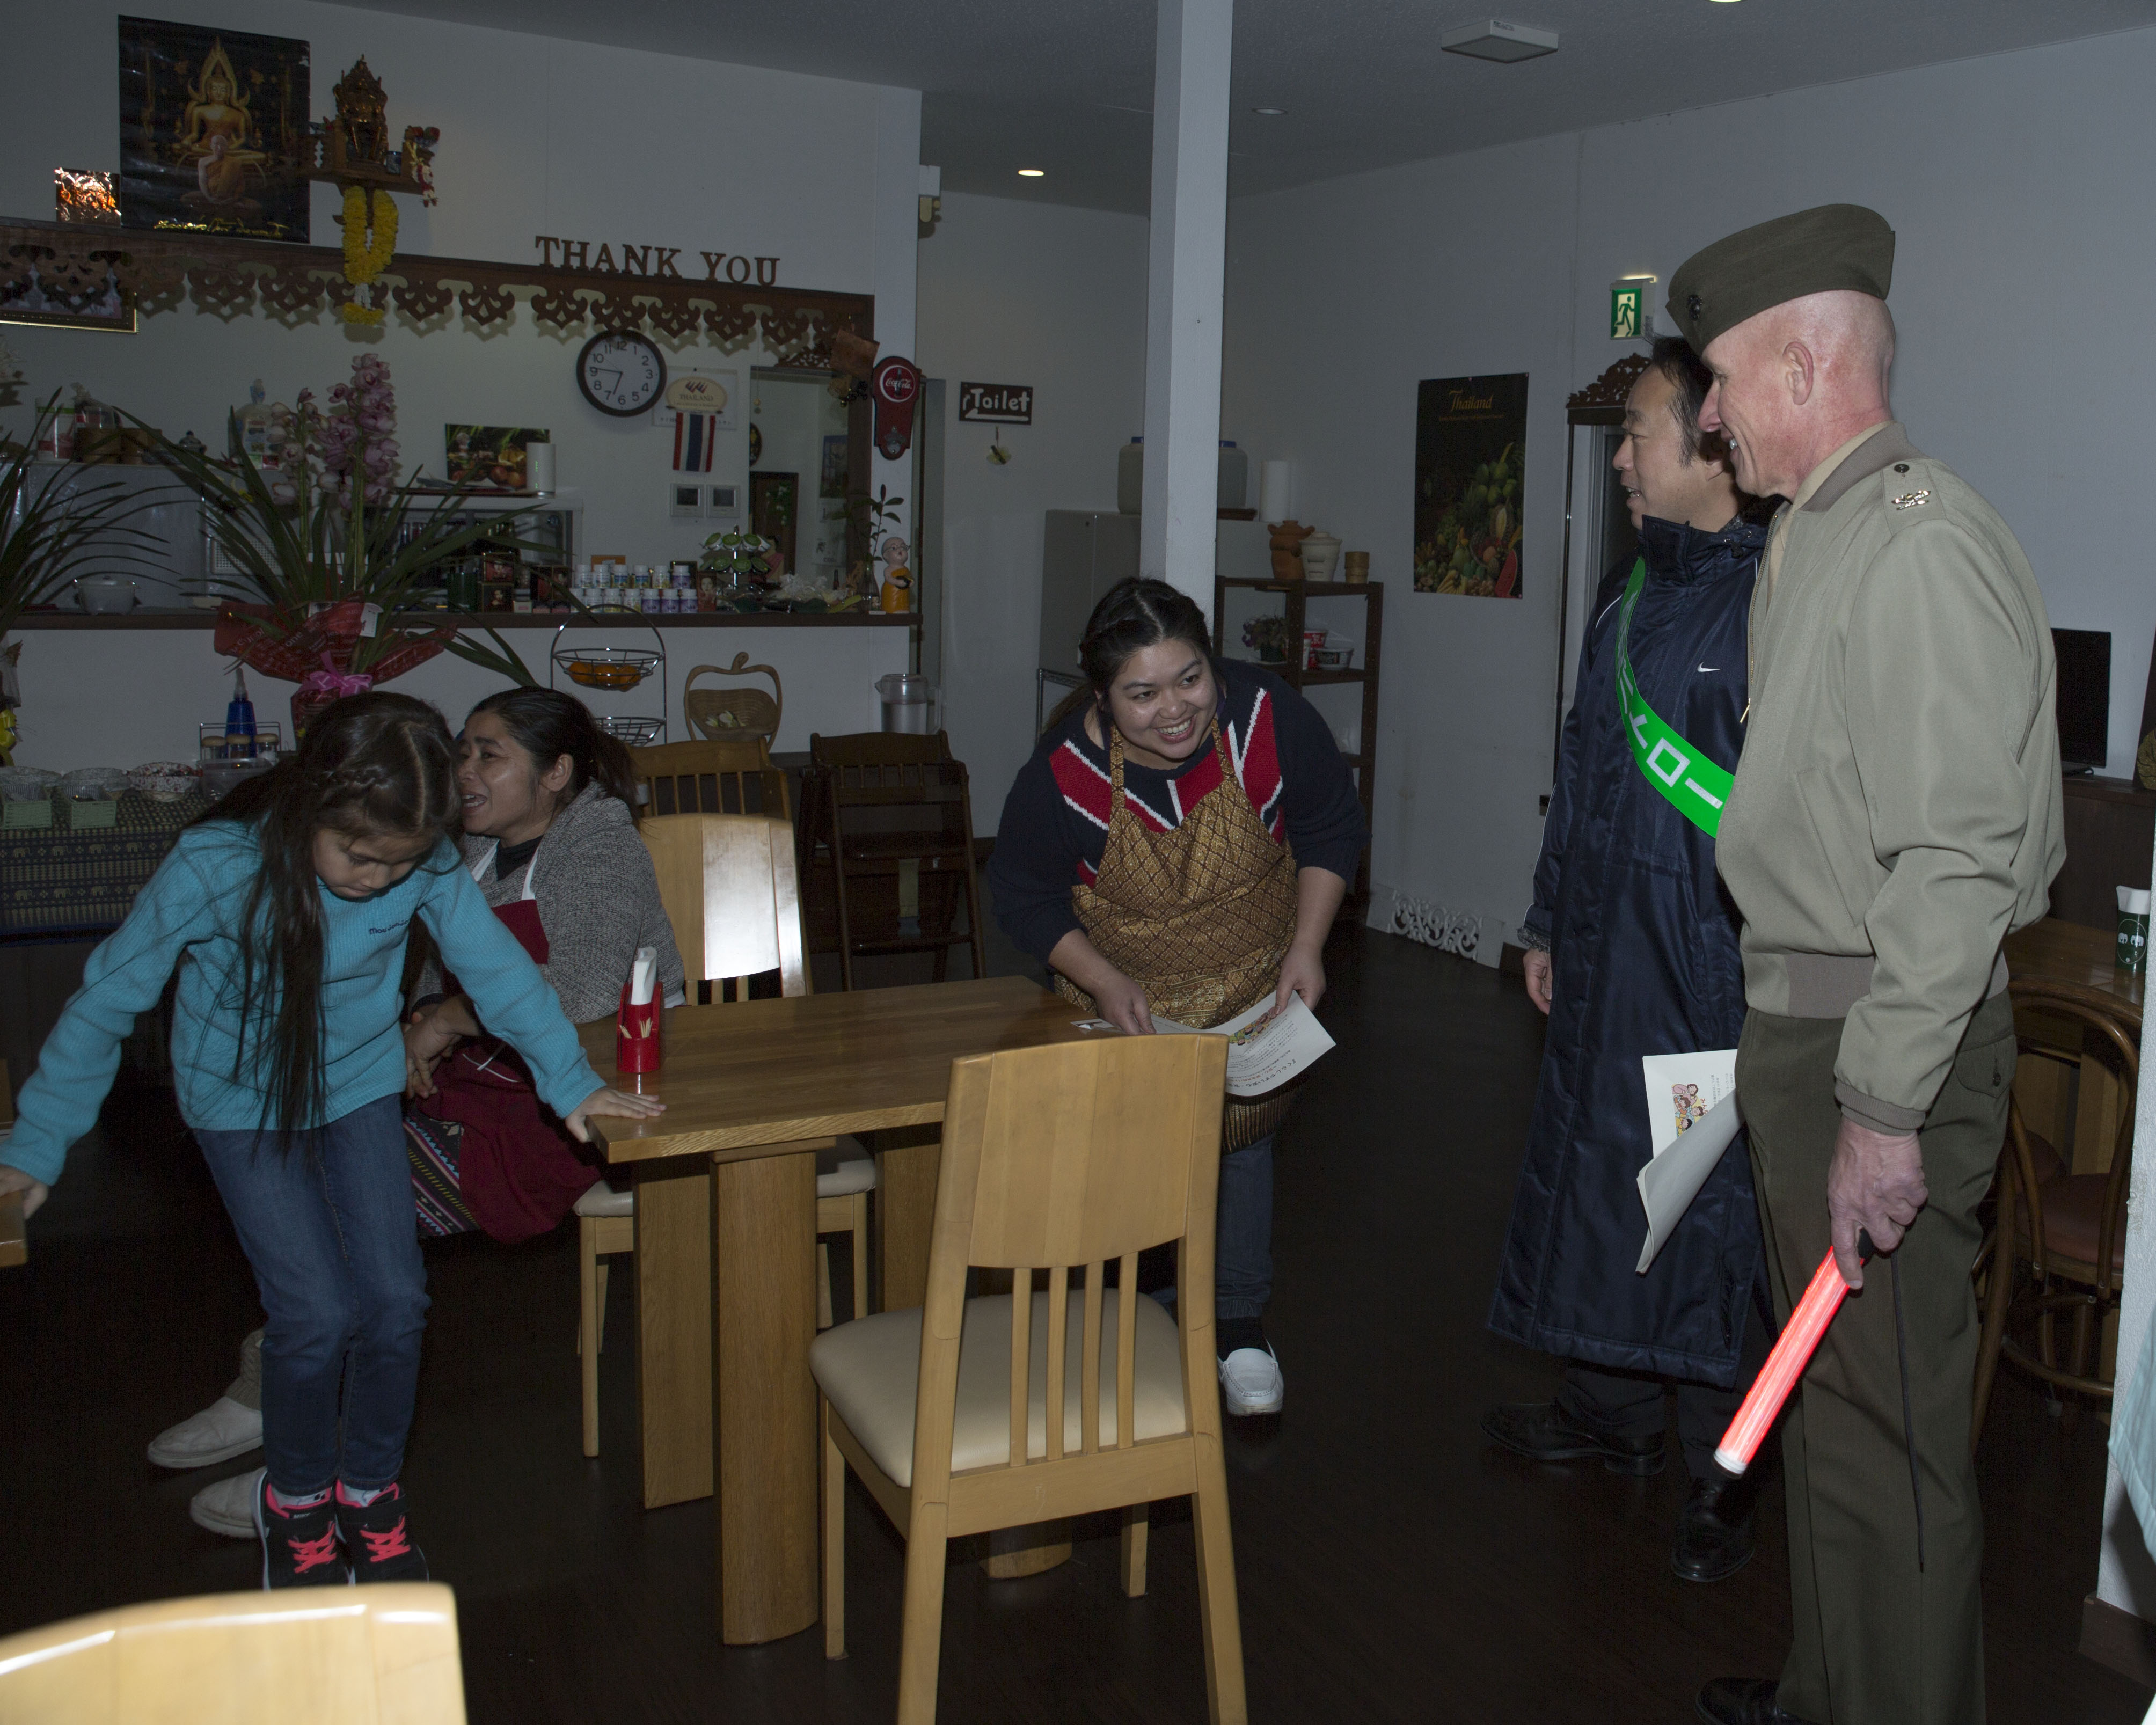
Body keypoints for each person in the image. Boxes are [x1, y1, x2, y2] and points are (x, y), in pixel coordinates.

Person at [1670, 206, 2064, 1725]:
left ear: (1805, 357)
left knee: (1886, 1441)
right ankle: (1829, 1689)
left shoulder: (1914, 540)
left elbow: (1954, 861)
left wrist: (1884, 1107)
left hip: (1875, 1039)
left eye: (1717, 378)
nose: (1704, 414)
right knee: (1831, 1421)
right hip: (1814, 1029)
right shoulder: (1823, 530)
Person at [0, 693, 664, 1589]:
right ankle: (300, 1503)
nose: (376, 880)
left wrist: (570, 1080)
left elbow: (500, 974)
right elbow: (106, 1000)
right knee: (314, 1312)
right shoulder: (216, 866)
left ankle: (371, 1491)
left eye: (399, 865)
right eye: (358, 856)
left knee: (396, 1302)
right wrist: (37, 1145)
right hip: (243, 1101)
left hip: (355, 1086)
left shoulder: (421, 861)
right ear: (313, 804)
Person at [153, 688, 689, 1538]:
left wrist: (440, 1020)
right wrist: (411, 1028)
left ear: (556, 774)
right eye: (461, 751)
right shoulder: (464, 844)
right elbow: (431, 959)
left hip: (585, 1102)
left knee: (340, 1219)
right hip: (484, 1084)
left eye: (489, 754)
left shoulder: (598, 846)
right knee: (322, 1207)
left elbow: (584, 993)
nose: (464, 772)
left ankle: (306, 1452)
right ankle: (281, 1400)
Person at [1483, 338, 1772, 1583]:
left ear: (1709, 444)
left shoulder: (1772, 599)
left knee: (1700, 1199)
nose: (1617, 460)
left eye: (1635, 434)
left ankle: (1721, 1460)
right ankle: (1604, 1407)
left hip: (1707, 966)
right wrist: (1547, 921)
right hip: (1608, 948)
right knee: (1610, 1172)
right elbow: (1586, 760)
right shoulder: (1629, 590)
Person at [988, 576, 1366, 1416]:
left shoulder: (1267, 718)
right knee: (1123, 1157)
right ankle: (1127, 1319)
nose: (1174, 711)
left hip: (1252, 982)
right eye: (1142, 692)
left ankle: (1236, 1325)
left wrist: (1307, 944)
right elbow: (1021, 895)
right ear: (1101, 696)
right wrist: (1104, 980)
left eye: (1189, 678)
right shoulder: (1062, 775)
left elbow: (1330, 822)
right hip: (1124, 994)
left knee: (1243, 1149)